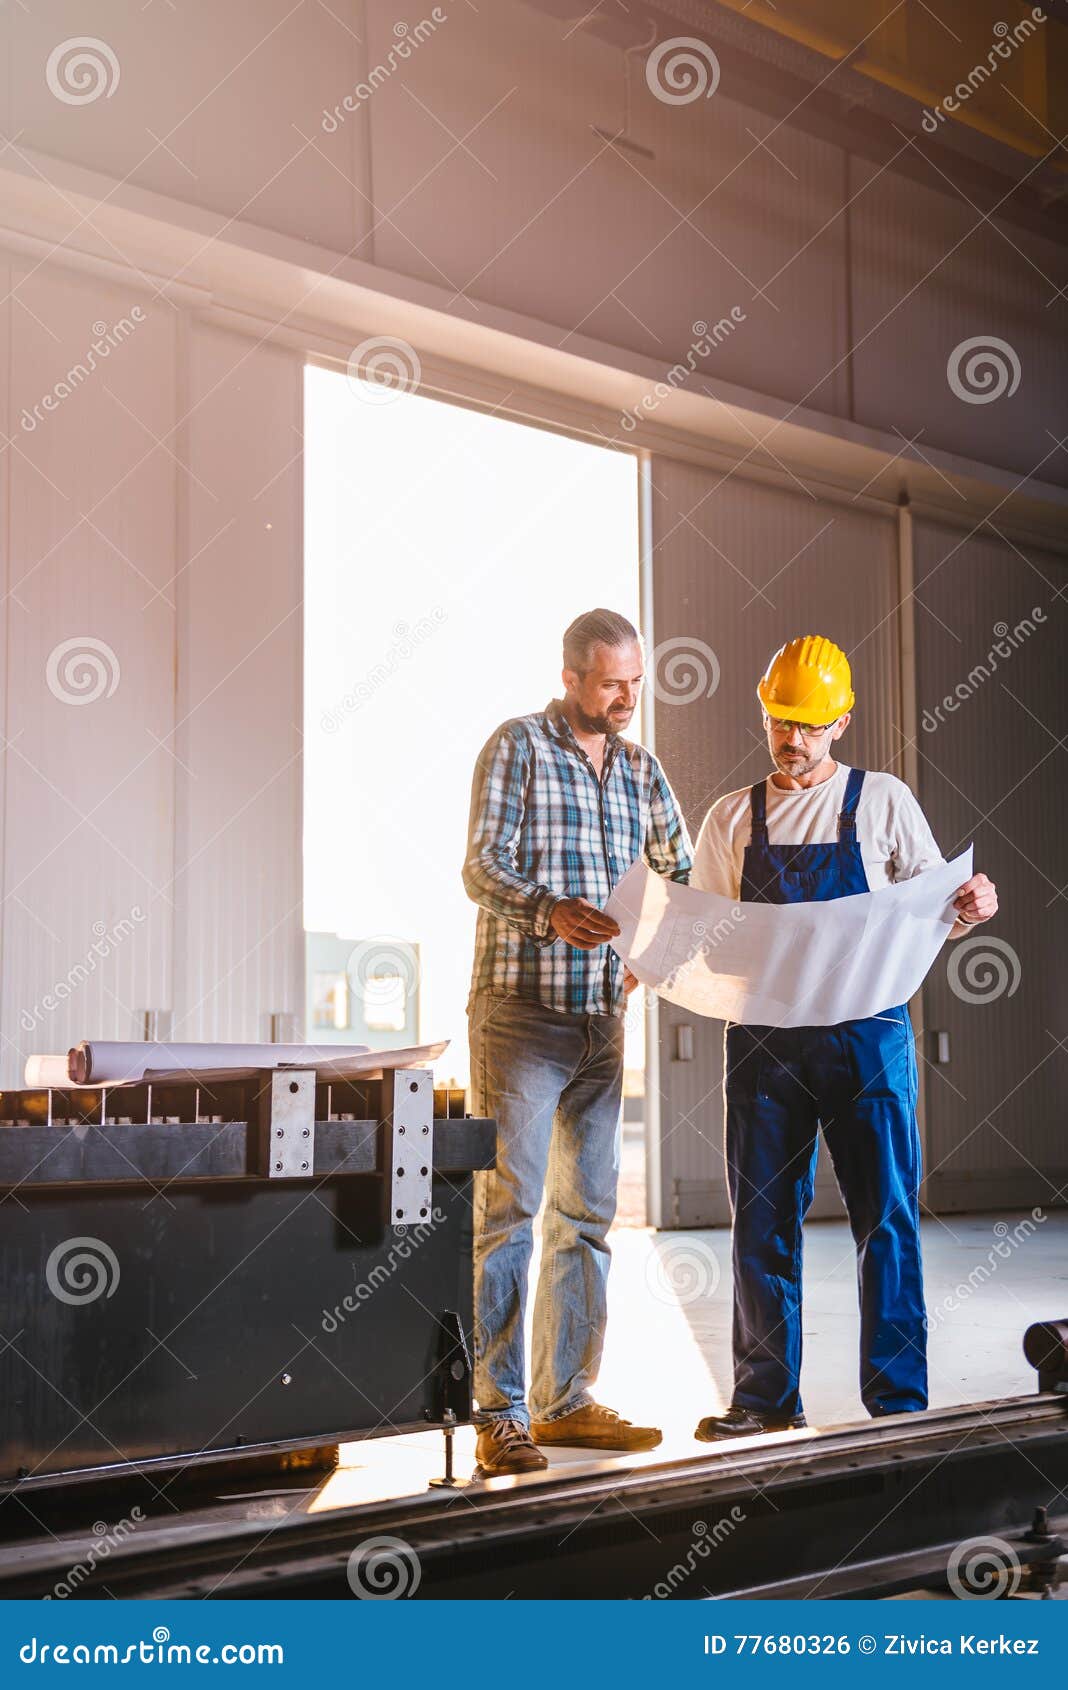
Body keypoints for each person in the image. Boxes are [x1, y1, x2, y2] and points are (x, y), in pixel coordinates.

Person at [690, 635, 998, 1439]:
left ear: (842, 722)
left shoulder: (884, 801)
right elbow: (703, 934)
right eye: (777, 722)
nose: (791, 741)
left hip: (868, 1040)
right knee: (761, 1224)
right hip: (764, 1049)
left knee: (886, 1219)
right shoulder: (731, 817)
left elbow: (939, 907)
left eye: (808, 726)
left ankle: (897, 1405)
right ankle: (763, 1402)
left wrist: (969, 909)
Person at [463, 608, 692, 1475]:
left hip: (602, 1019)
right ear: (570, 678)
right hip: (521, 1013)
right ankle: (499, 1413)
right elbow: (481, 864)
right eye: (610, 683)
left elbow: (677, 872)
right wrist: (549, 912)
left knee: (587, 1218)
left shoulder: (641, 769)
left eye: (634, 682)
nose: (626, 698)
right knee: (510, 1212)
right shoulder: (517, 746)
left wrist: (652, 948)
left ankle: (565, 1402)